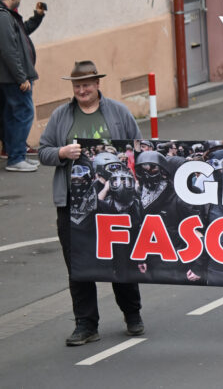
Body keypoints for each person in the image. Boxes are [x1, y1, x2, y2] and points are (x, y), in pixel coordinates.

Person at [38, 61, 144, 345]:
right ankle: (85, 324)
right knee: (79, 264)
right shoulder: (62, 115)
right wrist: (61, 152)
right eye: (77, 86)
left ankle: (132, 314)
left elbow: (139, 148)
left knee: (120, 258)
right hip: (73, 204)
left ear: (98, 84)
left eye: (87, 84)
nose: (82, 90)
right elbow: (43, 151)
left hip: (115, 203)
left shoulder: (118, 113)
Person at [1, 0, 44, 172]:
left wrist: (38, 17)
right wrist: (21, 78)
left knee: (13, 115)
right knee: (24, 114)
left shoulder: (9, 16)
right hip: (14, 79)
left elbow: (23, 32)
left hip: (14, 77)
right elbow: (9, 51)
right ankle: (16, 158)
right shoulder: (3, 17)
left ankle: (15, 155)